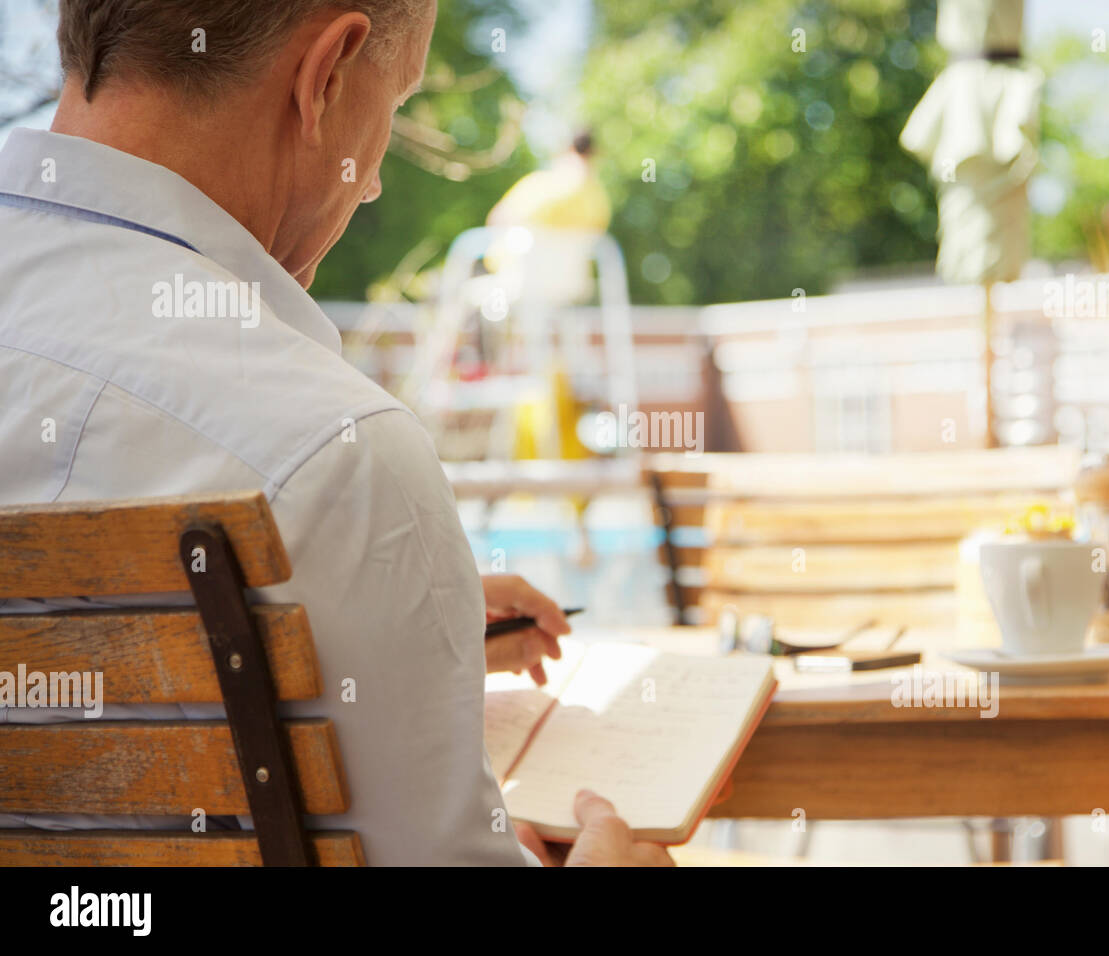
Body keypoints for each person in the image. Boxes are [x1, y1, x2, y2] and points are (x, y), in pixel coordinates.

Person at [0, 0, 670, 867]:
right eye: (392, 106)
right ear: (326, 76)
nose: (378, 179)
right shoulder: (336, 460)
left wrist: (357, 638)